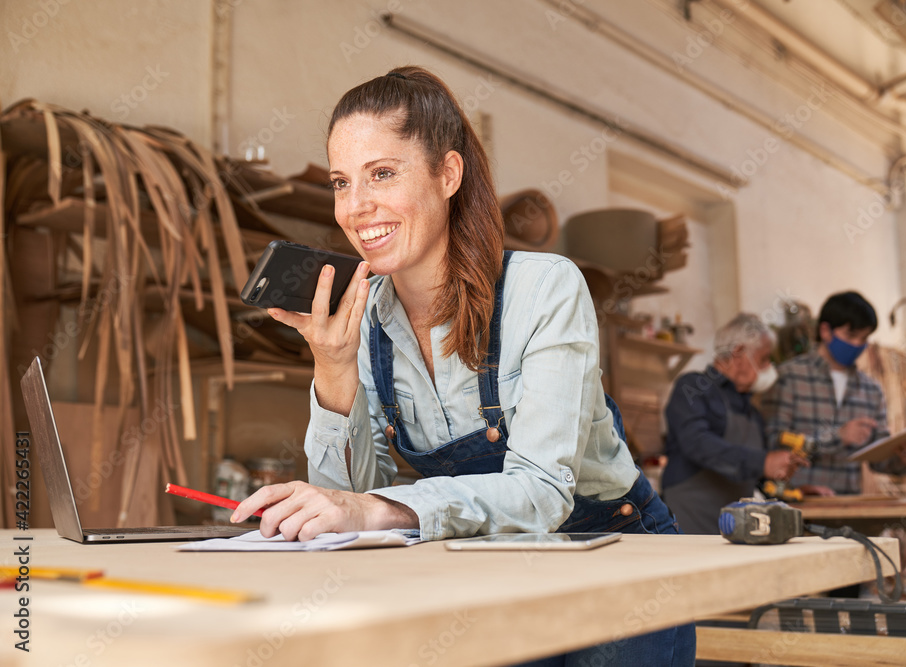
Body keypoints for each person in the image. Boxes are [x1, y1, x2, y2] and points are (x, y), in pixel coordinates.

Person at [232, 66, 696, 665]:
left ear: (447, 174)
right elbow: (351, 506)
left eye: (382, 174)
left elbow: (541, 495)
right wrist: (334, 366)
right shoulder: (369, 318)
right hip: (486, 573)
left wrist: (384, 507)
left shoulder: (545, 289)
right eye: (341, 183)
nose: (356, 207)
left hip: (613, 567)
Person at [765, 291, 906, 497]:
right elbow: (772, 444)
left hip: (849, 510)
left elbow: (880, 461)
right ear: (825, 330)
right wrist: (837, 437)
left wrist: (905, 460)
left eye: (864, 338)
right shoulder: (788, 378)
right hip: (796, 507)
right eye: (851, 336)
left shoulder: (871, 390)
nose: (857, 345)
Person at [661, 313, 807, 534]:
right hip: (690, 522)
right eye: (764, 359)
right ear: (738, 353)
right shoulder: (692, 388)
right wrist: (763, 462)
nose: (769, 367)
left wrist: (788, 485)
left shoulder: (753, 412)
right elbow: (698, 444)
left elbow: (754, 475)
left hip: (734, 528)